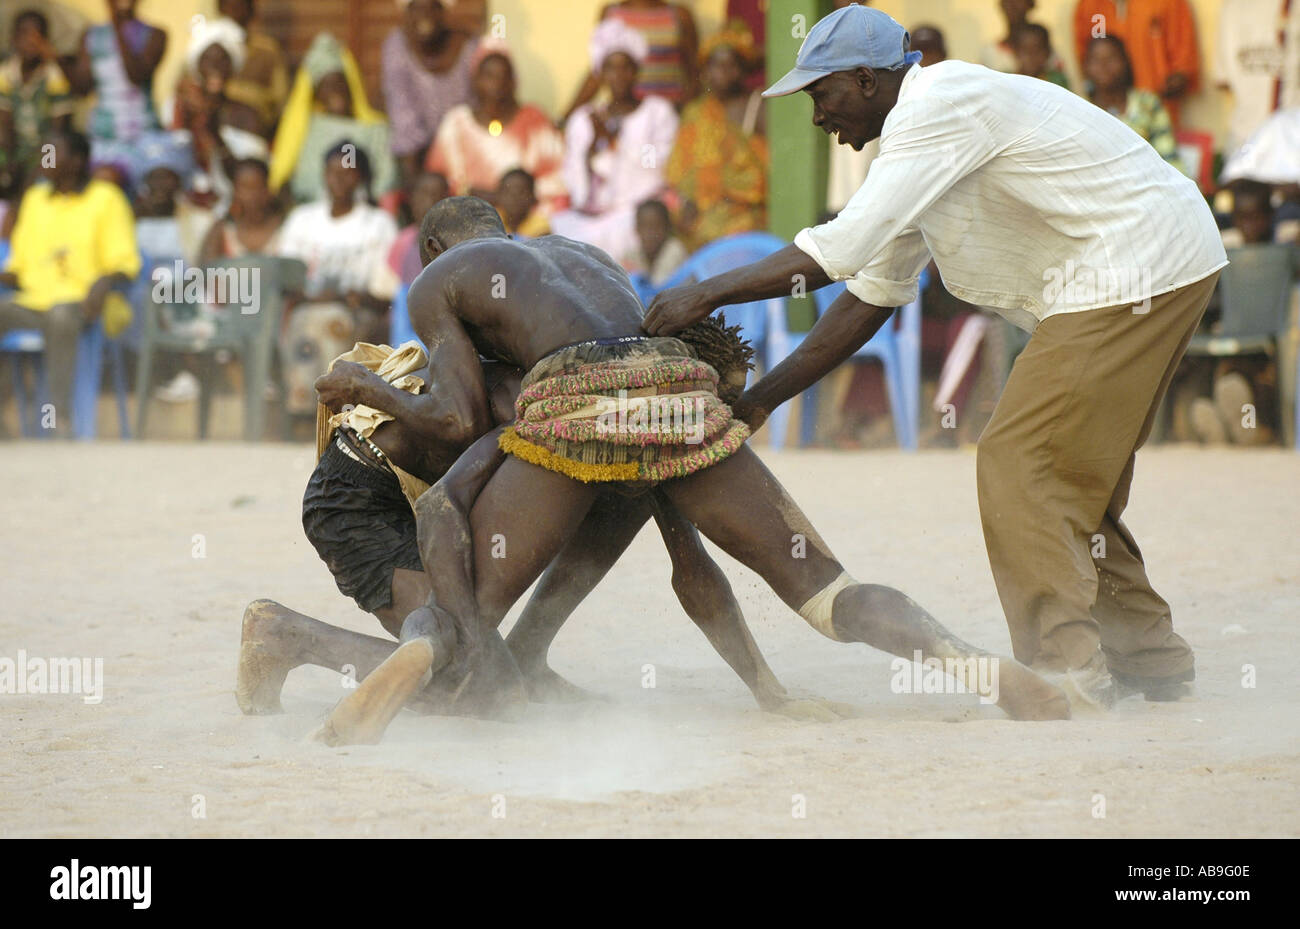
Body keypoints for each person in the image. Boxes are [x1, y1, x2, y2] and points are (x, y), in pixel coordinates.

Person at [314, 195, 1071, 745]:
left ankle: (439, 649)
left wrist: (364, 387)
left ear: (433, 254)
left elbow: (456, 418)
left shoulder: (440, 280)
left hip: (576, 395)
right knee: (825, 592)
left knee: (464, 617)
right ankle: (975, 665)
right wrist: (765, 691)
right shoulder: (584, 257)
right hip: (676, 385)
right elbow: (689, 560)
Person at [643, 6, 1228, 709]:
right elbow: (870, 294)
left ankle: (1066, 671)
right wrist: (765, 396)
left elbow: (839, 249)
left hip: (1131, 266)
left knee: (1021, 459)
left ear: (864, 80)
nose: (818, 118)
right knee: (1070, 475)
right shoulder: (919, 141)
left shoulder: (938, 107)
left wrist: (700, 295)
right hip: (1160, 260)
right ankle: (1149, 657)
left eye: (820, 96)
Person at [239, 330, 848, 729]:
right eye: (720, 401)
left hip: (427, 485)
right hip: (363, 493)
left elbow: (692, 570)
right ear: (680, 380)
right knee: (475, 684)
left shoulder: (641, 415)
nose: (719, 425)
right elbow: (442, 508)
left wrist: (769, 691)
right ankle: (286, 635)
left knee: (625, 498)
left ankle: (521, 657)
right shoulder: (587, 403)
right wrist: (464, 633)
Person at [0, 130, 140, 436]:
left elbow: (124, 264)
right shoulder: (36, 200)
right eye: (42, 153)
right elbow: (17, 270)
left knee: (61, 316)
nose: (43, 160)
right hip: (34, 302)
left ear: (76, 162)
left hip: (88, 305)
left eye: (51, 153)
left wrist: (103, 281)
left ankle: (57, 420)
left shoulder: (107, 199)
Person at [276, 141, 399, 415]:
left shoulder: (379, 224)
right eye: (332, 171)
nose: (338, 179)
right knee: (308, 322)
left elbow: (383, 292)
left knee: (332, 321)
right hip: (304, 310)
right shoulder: (302, 219)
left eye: (348, 172)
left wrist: (342, 297)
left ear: (362, 178)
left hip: (357, 312)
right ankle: (306, 407)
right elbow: (286, 278)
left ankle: (324, 408)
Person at [551, 19, 678, 268]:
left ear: (637, 71)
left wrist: (614, 142)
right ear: (601, 74)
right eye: (611, 68)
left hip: (634, 214)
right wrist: (593, 146)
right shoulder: (584, 118)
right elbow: (575, 182)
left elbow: (657, 168)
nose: (619, 76)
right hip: (590, 217)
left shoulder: (656, 112)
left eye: (626, 68)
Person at [424, 46, 567, 221]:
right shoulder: (456, 123)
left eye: (504, 76)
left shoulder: (535, 121)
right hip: (468, 222)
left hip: (527, 225)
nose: (497, 83)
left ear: (513, 82)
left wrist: (505, 199)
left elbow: (559, 183)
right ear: (475, 80)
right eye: (489, 75)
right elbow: (437, 184)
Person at [665, 20, 767, 250]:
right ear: (705, 71)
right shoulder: (696, 112)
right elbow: (678, 170)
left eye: (731, 65)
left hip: (744, 210)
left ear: (743, 70)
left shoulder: (757, 106)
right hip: (699, 208)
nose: (723, 73)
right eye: (716, 66)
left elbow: (765, 169)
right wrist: (688, 200)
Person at [269, 32, 396, 205]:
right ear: (316, 94)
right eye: (326, 86)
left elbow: (386, 180)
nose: (335, 91)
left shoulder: (375, 129)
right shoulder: (306, 128)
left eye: (339, 82)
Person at [381, 0, 484, 187]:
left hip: (466, 153)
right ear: (406, 12)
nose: (425, 15)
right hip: (416, 159)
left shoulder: (470, 46)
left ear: (443, 11)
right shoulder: (396, 47)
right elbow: (404, 121)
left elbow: (480, 111)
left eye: (432, 7)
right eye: (417, 7)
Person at [64, 0, 168, 181]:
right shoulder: (91, 35)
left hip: (143, 135)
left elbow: (136, 76)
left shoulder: (155, 35)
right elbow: (83, 88)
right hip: (102, 136)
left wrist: (118, 28)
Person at [562, 0, 700, 122]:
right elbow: (598, 72)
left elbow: (695, 74)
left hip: (669, 118)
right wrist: (566, 117)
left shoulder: (680, 15)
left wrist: (682, 113)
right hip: (625, 119)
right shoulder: (611, 13)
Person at [1072, 0, 1199, 126]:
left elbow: (1183, 67)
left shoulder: (1169, 3)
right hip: (1105, 115)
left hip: (1154, 113)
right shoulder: (1089, 5)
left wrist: (1155, 102)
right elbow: (1085, 61)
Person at [0, 9, 75, 193]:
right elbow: (4, 125)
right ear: (14, 38)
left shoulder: (54, 75)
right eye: (25, 34)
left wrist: (37, 166)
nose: (31, 42)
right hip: (15, 148)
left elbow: (57, 131)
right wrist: (11, 162)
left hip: (47, 148)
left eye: (38, 36)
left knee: (45, 175)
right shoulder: (6, 74)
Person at [1082, 36, 1183, 171]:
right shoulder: (1079, 110)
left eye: (1111, 58)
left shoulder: (1148, 104)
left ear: (1125, 62)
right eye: (1096, 60)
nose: (1103, 66)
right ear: (1086, 66)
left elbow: (1169, 157)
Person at [216, 0, 289, 138]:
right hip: (216, 130)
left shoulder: (267, 50)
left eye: (239, 5)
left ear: (251, 10)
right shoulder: (209, 47)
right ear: (220, 9)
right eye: (229, 6)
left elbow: (280, 100)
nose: (234, 11)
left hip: (256, 131)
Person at [388, 170, 450, 289]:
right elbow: (389, 289)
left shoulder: (456, 240)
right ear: (412, 199)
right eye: (422, 194)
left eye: (435, 195)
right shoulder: (403, 241)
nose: (428, 201)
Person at [629, 198, 688, 286]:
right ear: (636, 229)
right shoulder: (633, 254)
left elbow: (658, 290)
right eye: (644, 226)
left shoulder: (674, 250)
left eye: (656, 227)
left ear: (667, 228)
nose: (649, 234)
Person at [1012, 23, 1069, 90]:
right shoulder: (1006, 80)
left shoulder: (1056, 81)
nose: (1031, 57)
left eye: (1037, 51)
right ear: (1016, 52)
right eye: (1026, 51)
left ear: (1048, 53)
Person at [495, 168, 548, 239]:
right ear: (498, 195)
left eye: (521, 192)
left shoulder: (541, 227)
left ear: (532, 197)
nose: (514, 198)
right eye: (508, 192)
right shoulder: (492, 220)